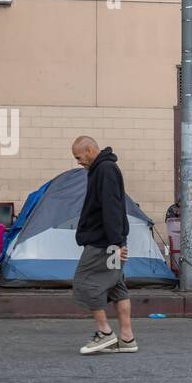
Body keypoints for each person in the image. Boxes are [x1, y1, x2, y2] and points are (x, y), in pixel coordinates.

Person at [70, 135, 136, 355]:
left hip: (104, 242)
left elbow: (111, 207)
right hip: (112, 240)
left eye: (79, 157)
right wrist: (118, 241)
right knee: (117, 287)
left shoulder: (105, 170)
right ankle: (127, 339)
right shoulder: (103, 168)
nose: (78, 162)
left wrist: (115, 243)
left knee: (84, 281)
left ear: (89, 150)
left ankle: (105, 333)